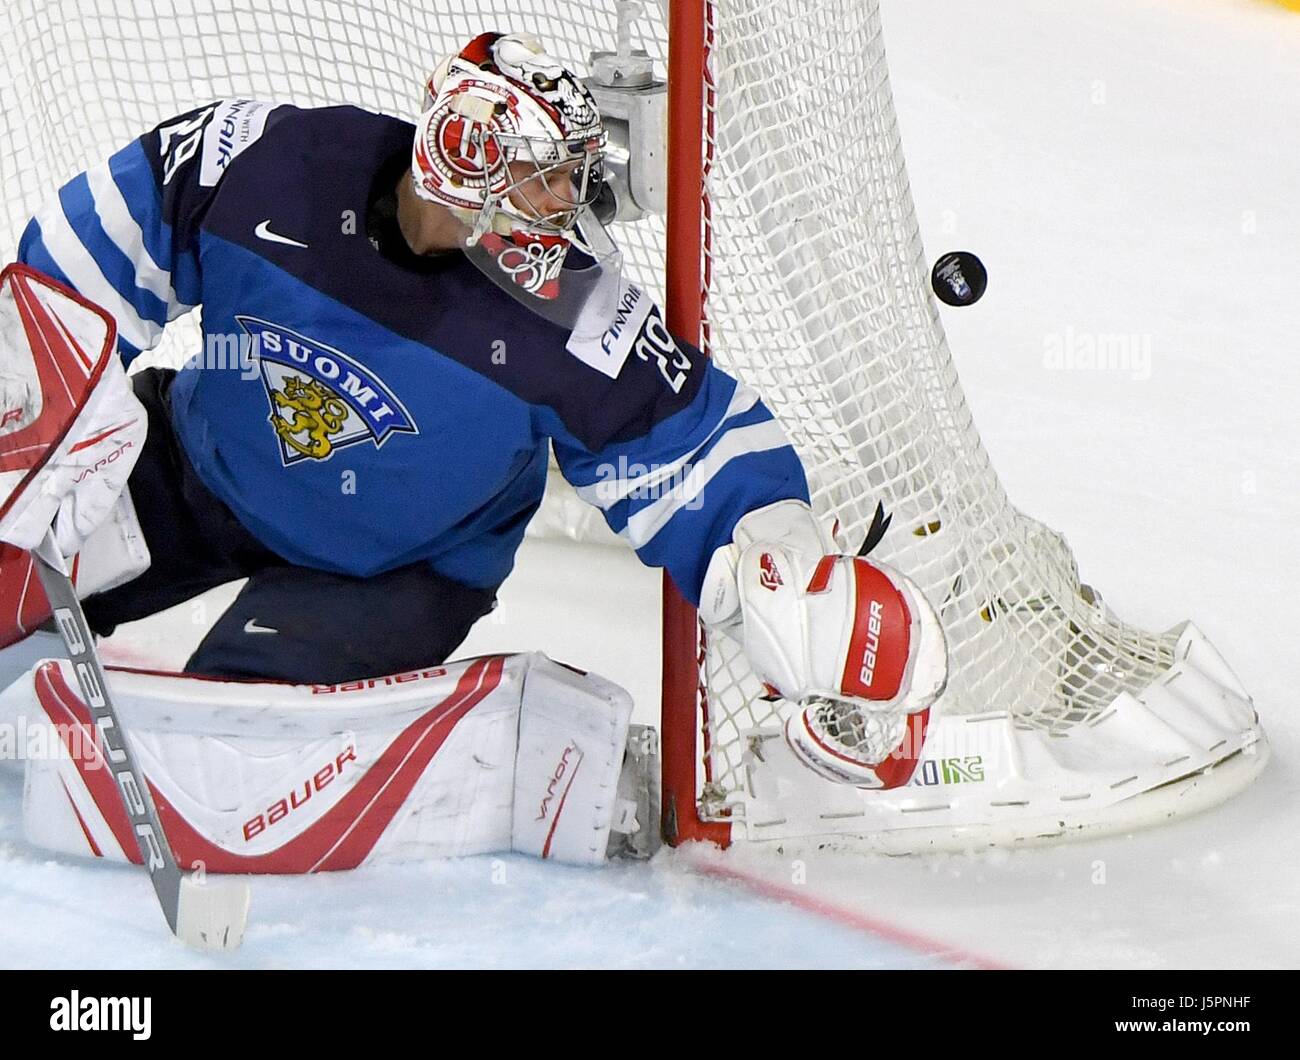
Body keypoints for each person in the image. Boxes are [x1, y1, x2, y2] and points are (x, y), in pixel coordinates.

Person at [0, 32, 946, 789]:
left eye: (567, 177)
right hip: (203, 466)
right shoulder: (272, 162)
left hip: (398, 567)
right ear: (464, 151)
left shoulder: (570, 303)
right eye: (537, 173)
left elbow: (684, 441)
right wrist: (52, 412)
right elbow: (80, 261)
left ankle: (461, 757)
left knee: (228, 740)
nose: (559, 203)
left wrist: (778, 554)